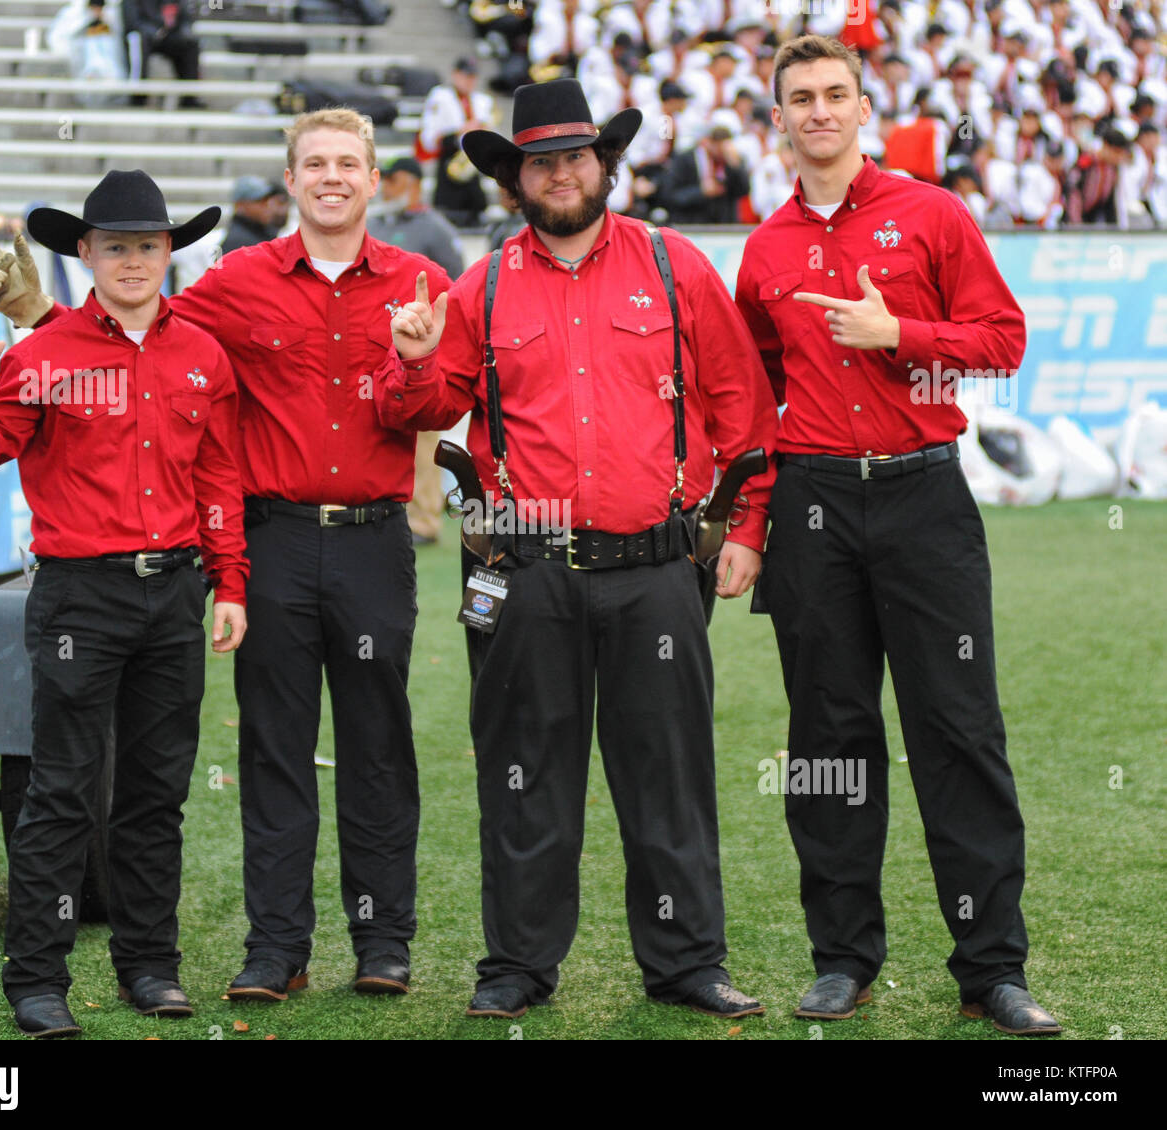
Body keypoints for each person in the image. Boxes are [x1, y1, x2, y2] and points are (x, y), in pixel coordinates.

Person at [0, 111, 452, 1003]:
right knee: (272, 747)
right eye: (316, 163)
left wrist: (419, 365)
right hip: (266, 539)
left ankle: (383, 941)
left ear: (377, 175)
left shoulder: (423, 279)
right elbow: (130, 335)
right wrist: (37, 318)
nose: (332, 176)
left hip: (375, 538)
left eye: (349, 161)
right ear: (292, 179)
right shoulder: (236, 280)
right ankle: (276, 951)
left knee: (378, 745)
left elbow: (431, 406)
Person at [374, 79, 780, 1020]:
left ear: (606, 164)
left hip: (658, 568)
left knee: (668, 774)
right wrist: (412, 355)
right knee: (524, 774)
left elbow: (743, 410)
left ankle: (686, 965)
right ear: (517, 182)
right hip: (526, 569)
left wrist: (749, 527)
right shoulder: (477, 285)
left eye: (575, 156)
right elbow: (424, 412)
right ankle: (516, 965)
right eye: (540, 163)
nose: (561, 175)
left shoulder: (675, 267)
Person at [733, 34, 1061, 1036]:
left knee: (958, 730)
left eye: (836, 93)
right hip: (813, 507)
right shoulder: (763, 250)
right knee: (827, 741)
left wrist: (901, 337)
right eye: (801, 98)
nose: (820, 110)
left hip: (925, 497)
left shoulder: (932, 213)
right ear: (777, 117)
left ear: (862, 107)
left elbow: (1002, 338)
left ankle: (990, 969)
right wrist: (745, 527)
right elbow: (753, 408)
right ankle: (842, 959)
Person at [0, 170, 248, 1037]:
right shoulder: (43, 352)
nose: (135, 260)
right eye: (117, 246)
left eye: (150, 245)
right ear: (86, 253)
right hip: (79, 596)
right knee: (63, 793)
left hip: (175, 593)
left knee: (155, 795)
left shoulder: (203, 354)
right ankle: (36, 979)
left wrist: (231, 580)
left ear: (169, 252)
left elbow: (220, 471)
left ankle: (151, 967)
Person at [368, 155, 467, 545]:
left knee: (424, 439)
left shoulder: (435, 227)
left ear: (411, 182)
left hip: (424, 351)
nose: (386, 188)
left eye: (392, 181)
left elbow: (457, 288)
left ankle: (424, 520)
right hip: (378, 347)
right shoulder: (377, 223)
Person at [417, 57, 495, 227]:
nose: (470, 81)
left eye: (473, 77)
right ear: (455, 75)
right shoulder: (440, 97)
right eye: (466, 76)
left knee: (478, 209)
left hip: (472, 164)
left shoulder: (482, 101)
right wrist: (461, 130)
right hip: (449, 160)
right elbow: (429, 139)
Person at [220, 176, 290, 256]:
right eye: (260, 201)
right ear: (240, 205)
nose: (267, 206)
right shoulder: (238, 243)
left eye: (268, 200)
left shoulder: (262, 233)